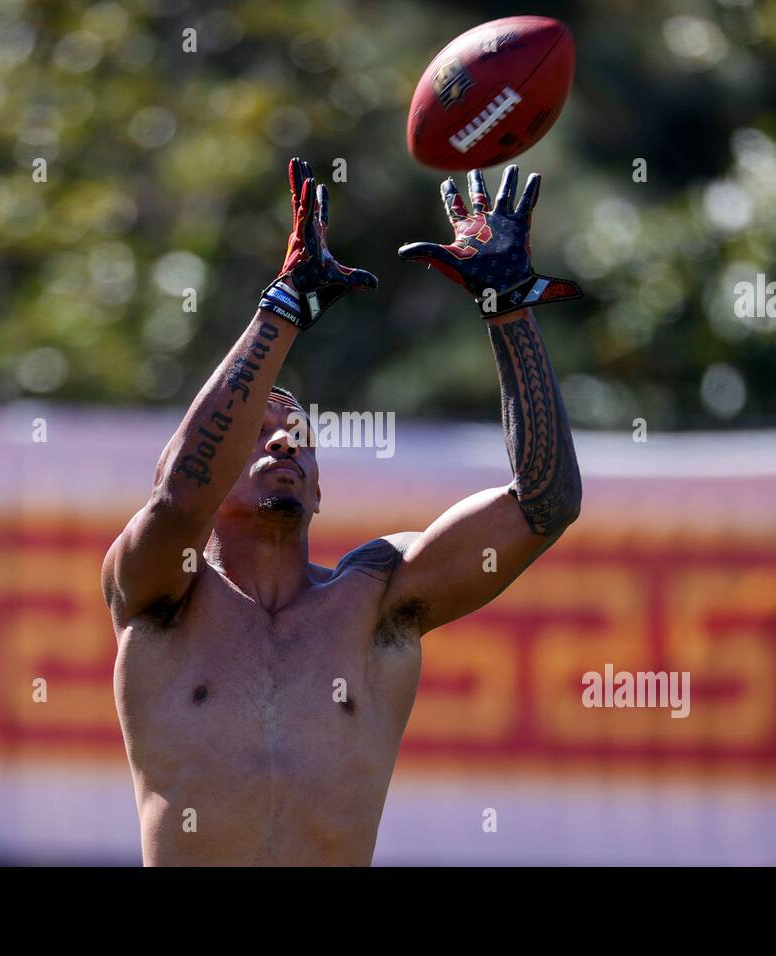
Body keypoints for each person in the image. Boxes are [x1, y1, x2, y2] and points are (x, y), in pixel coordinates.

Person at [102, 158, 583, 865]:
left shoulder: (376, 600)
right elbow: (177, 500)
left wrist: (506, 306)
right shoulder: (157, 600)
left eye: (298, 433)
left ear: (322, 491)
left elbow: (546, 505)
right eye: (257, 432)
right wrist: (286, 304)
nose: (283, 442)